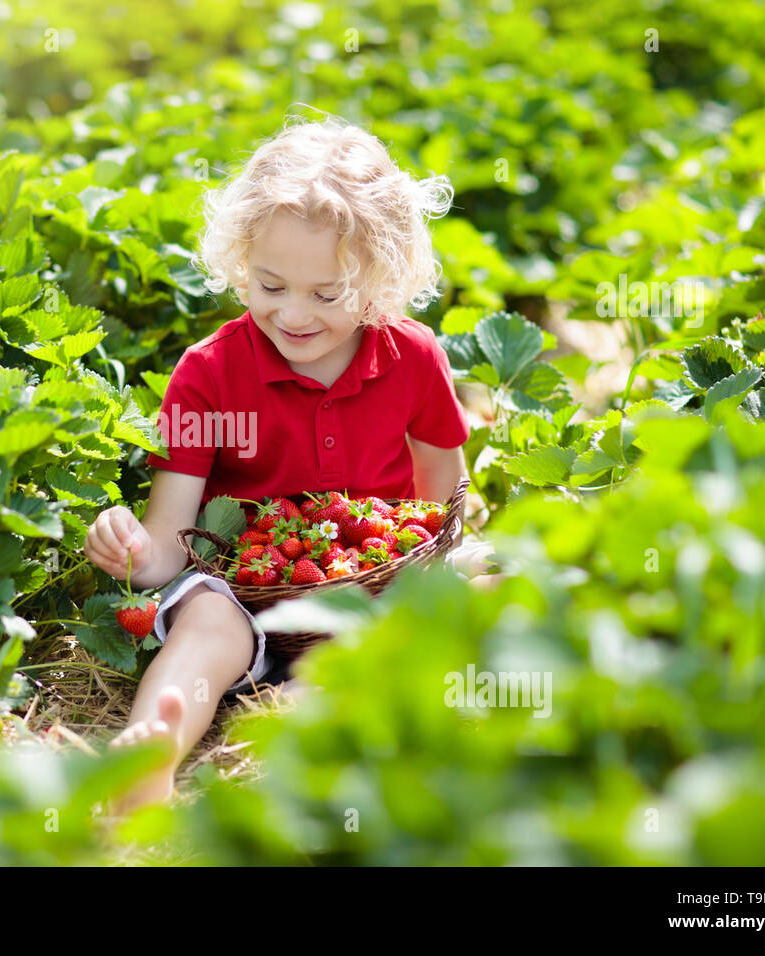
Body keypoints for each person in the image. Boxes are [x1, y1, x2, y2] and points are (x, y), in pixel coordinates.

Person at [83, 115, 492, 814]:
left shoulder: (414, 356)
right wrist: (126, 550)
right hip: (244, 589)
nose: (294, 315)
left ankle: (330, 707)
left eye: (326, 295)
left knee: (483, 583)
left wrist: (453, 560)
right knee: (205, 623)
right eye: (270, 286)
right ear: (240, 263)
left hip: (377, 587)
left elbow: (441, 507)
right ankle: (158, 740)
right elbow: (164, 550)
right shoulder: (207, 374)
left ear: (381, 280)